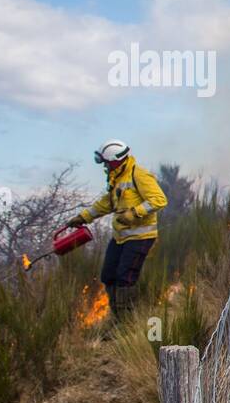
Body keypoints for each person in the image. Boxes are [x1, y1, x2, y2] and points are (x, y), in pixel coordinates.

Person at [65, 139, 167, 327]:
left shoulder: (139, 175)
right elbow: (106, 203)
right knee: (108, 275)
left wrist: (134, 213)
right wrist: (83, 217)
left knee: (124, 277)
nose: (104, 165)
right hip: (120, 237)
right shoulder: (117, 178)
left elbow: (159, 200)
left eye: (105, 162)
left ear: (114, 160)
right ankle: (116, 318)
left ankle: (125, 324)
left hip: (140, 237)